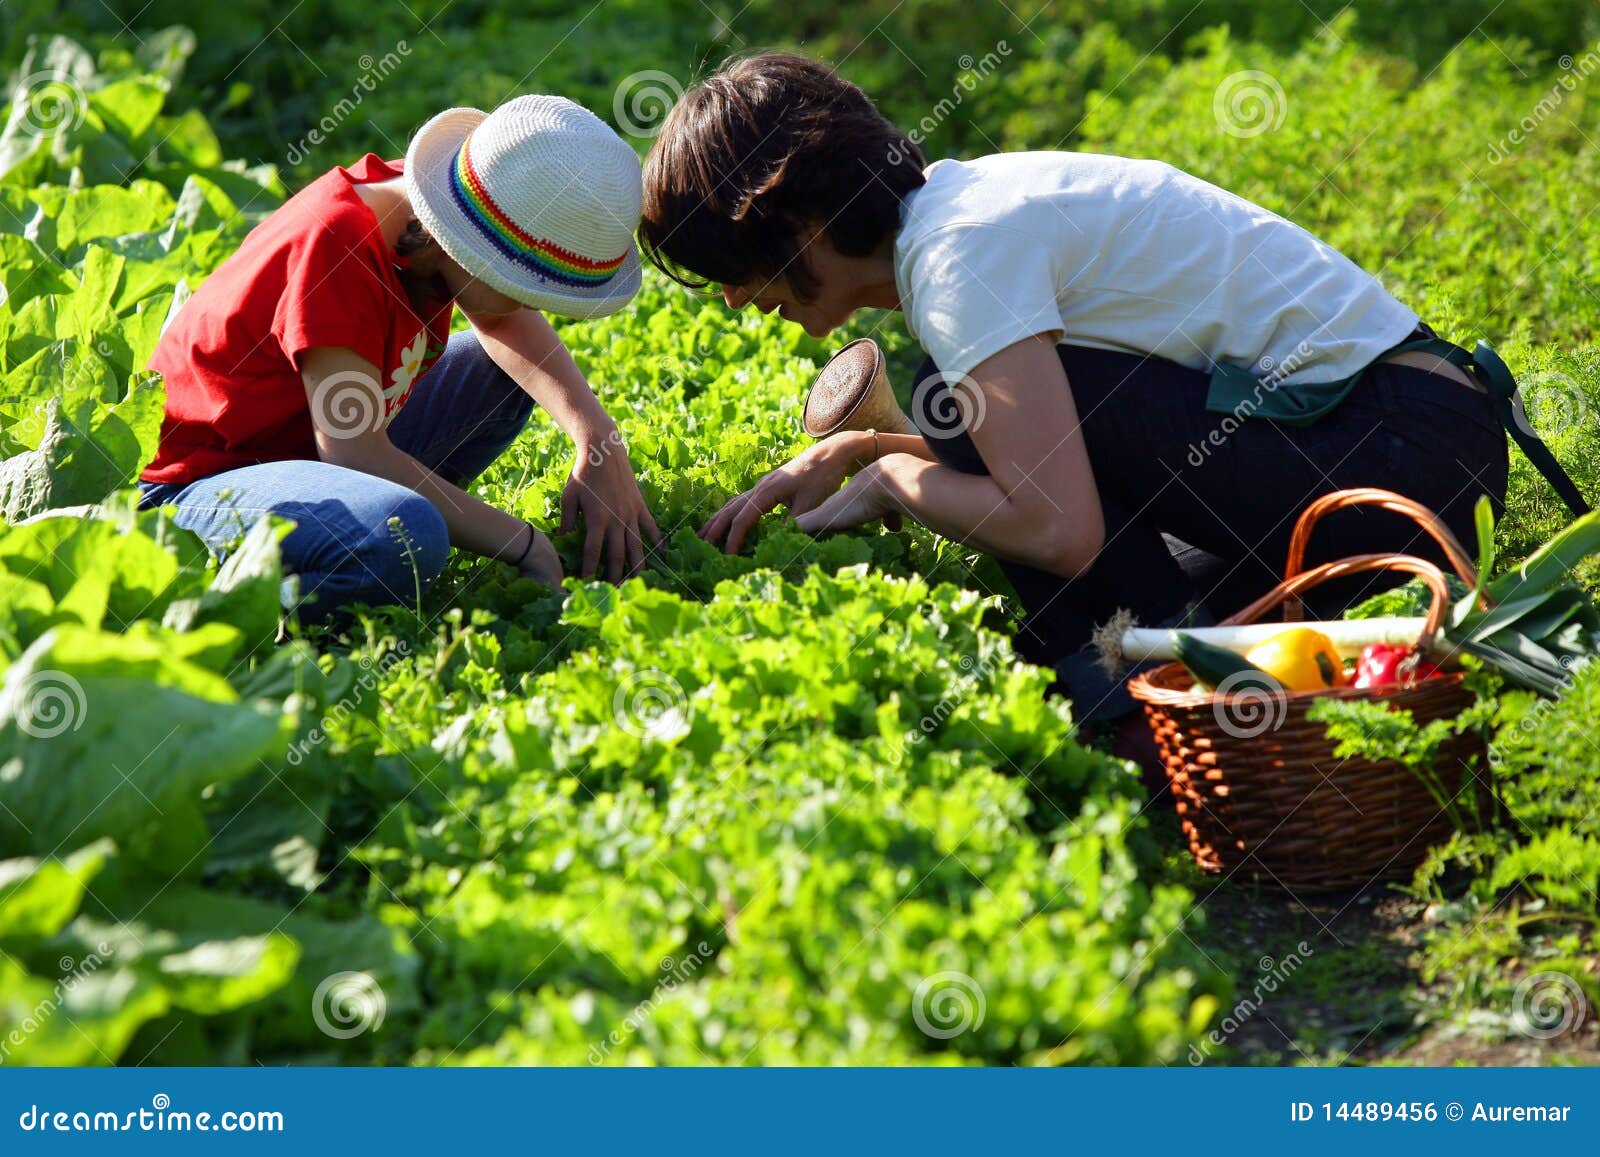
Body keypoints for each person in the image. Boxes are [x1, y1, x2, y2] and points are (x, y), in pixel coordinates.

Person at [638, 52, 1515, 727]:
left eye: (735, 266)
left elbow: (1058, 528)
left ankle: (1138, 712)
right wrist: (858, 446)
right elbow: (1048, 442)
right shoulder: (957, 212)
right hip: (1401, 440)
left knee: (955, 408)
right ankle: (1161, 680)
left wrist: (889, 480)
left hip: (1399, 452)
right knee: (978, 444)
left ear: (797, 220)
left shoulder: (959, 257)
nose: (737, 296)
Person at [139, 95, 660, 616]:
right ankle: (247, 605)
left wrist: (597, 438)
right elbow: (354, 451)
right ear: (464, 247)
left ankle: (384, 515)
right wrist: (520, 542)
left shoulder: (428, 211)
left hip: (313, 448)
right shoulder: (338, 244)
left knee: (504, 376)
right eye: (519, 286)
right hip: (199, 486)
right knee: (407, 537)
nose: (529, 305)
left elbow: (501, 319)